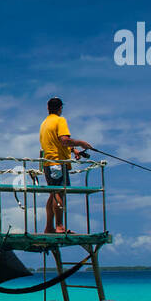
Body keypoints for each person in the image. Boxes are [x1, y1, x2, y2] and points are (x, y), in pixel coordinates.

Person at [39, 96, 91, 234]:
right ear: (60, 108)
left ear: (48, 108)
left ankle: (49, 226)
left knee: (53, 194)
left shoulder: (45, 123)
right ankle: (59, 226)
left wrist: (72, 150)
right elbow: (64, 140)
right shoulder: (60, 120)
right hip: (58, 163)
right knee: (59, 193)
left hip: (47, 163)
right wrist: (81, 143)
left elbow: (55, 143)